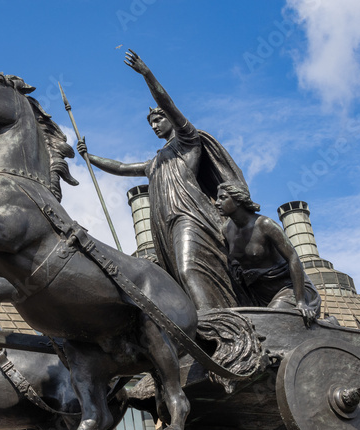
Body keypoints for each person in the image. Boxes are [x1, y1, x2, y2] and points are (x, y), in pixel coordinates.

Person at [77, 50, 246, 310]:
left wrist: (146, 74)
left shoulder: (188, 142)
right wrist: (89, 157)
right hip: (164, 225)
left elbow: (168, 104)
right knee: (177, 279)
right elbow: (121, 167)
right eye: (151, 123)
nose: (154, 125)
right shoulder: (155, 163)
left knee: (190, 269)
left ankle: (214, 321)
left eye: (158, 120)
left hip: (190, 215)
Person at [215, 181, 320, 324]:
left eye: (223, 198)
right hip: (259, 294)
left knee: (269, 321)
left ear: (238, 200)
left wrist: (300, 301)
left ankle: (328, 323)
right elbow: (234, 260)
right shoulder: (226, 229)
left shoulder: (265, 225)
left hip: (288, 289)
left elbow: (293, 258)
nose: (217, 203)